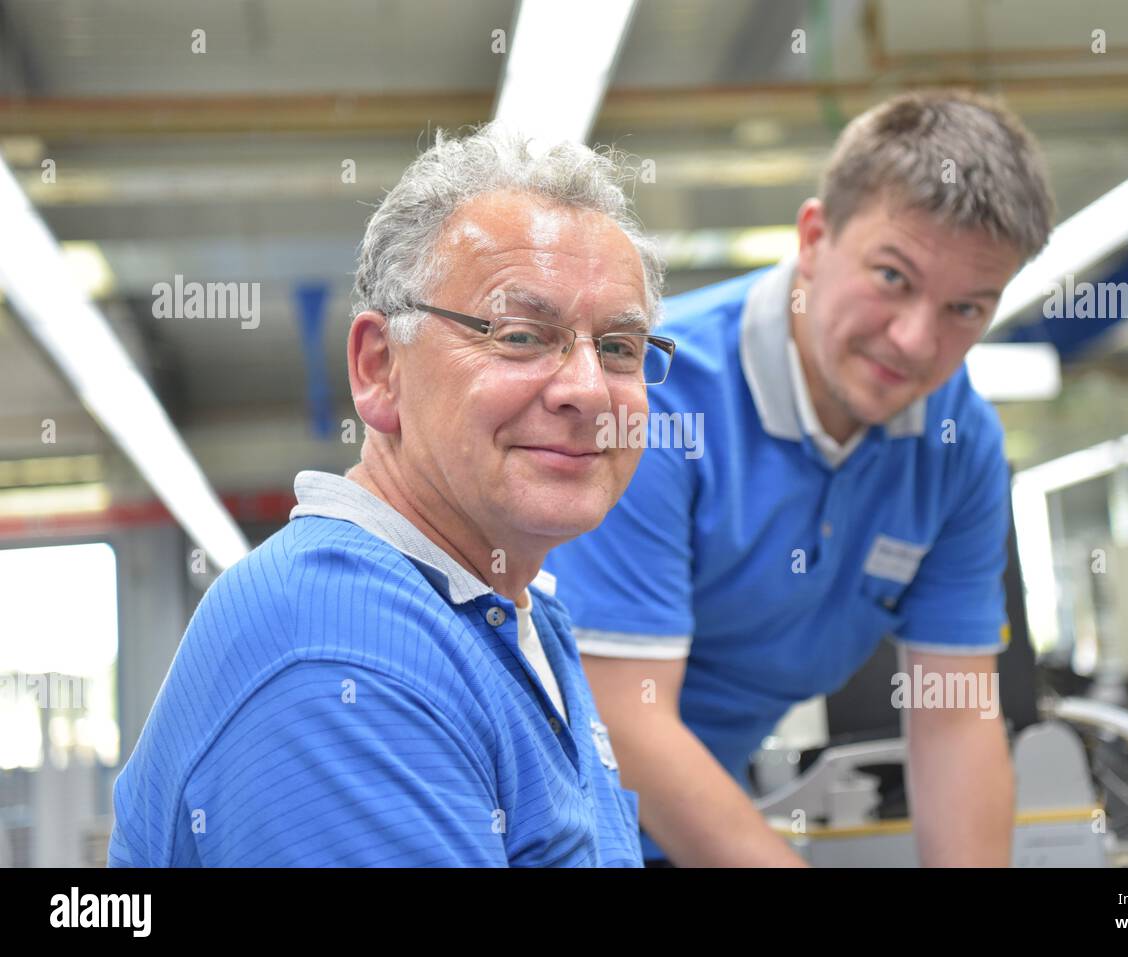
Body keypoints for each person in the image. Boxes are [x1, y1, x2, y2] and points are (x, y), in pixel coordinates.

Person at [108, 123, 674, 867]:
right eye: (520, 335)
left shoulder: (515, 615)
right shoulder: (337, 655)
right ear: (379, 369)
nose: (586, 390)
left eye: (619, 348)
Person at [545, 89, 1056, 866]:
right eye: (892, 277)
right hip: (543, 827)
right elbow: (626, 719)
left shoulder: (959, 444)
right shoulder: (654, 393)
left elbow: (954, 714)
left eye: (966, 307)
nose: (918, 339)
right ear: (815, 238)